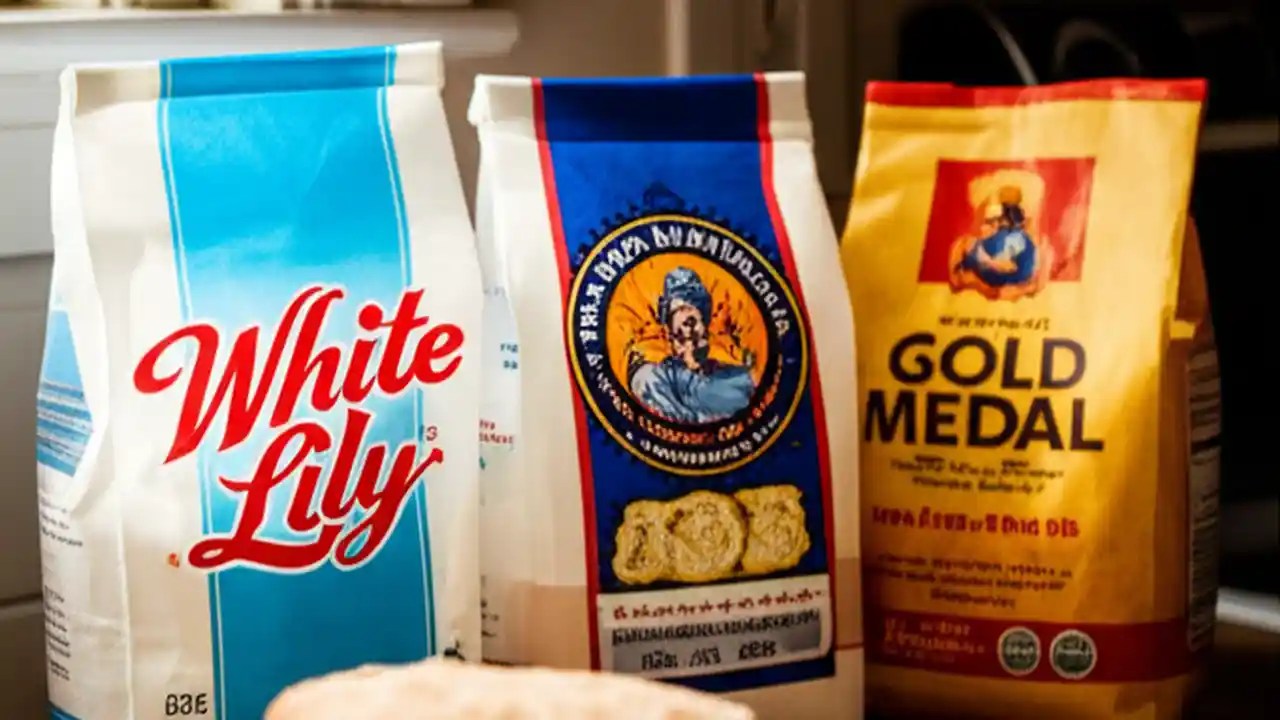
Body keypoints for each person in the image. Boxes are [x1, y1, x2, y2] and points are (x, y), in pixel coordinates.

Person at [629, 267, 755, 424]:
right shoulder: (654, 378)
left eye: (693, 313)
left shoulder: (738, 380)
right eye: (678, 313)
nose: (687, 327)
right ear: (669, 331)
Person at [954, 186, 1039, 289]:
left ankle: (971, 262)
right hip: (1010, 270)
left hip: (1011, 273)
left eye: (994, 221)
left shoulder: (1012, 235)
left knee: (979, 252)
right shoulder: (1009, 231)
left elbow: (1011, 267)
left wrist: (985, 259)